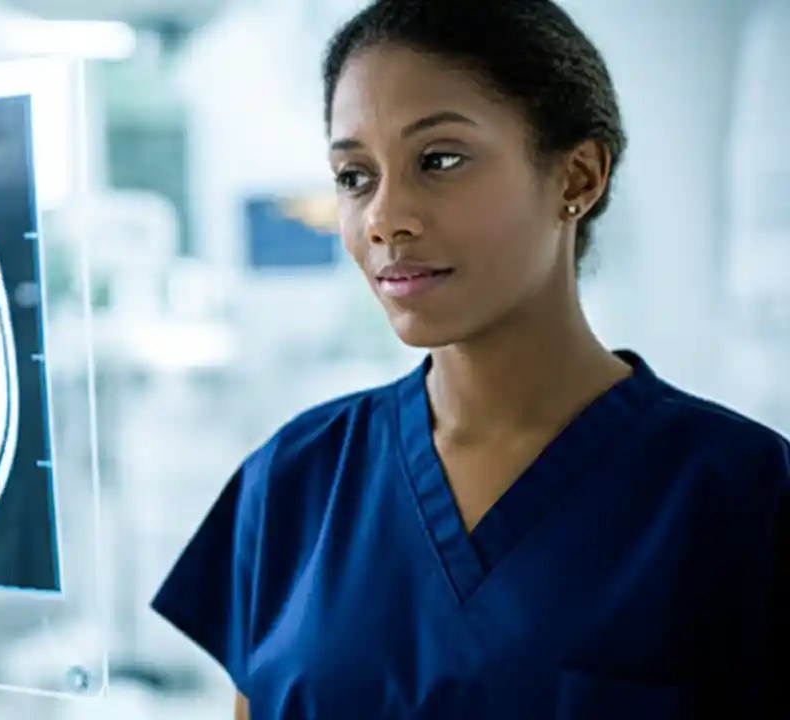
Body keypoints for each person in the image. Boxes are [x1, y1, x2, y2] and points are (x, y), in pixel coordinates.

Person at [149, 0, 790, 717]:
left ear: (577, 178)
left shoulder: (740, 493)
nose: (385, 219)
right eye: (355, 176)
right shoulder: (294, 480)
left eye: (440, 160)